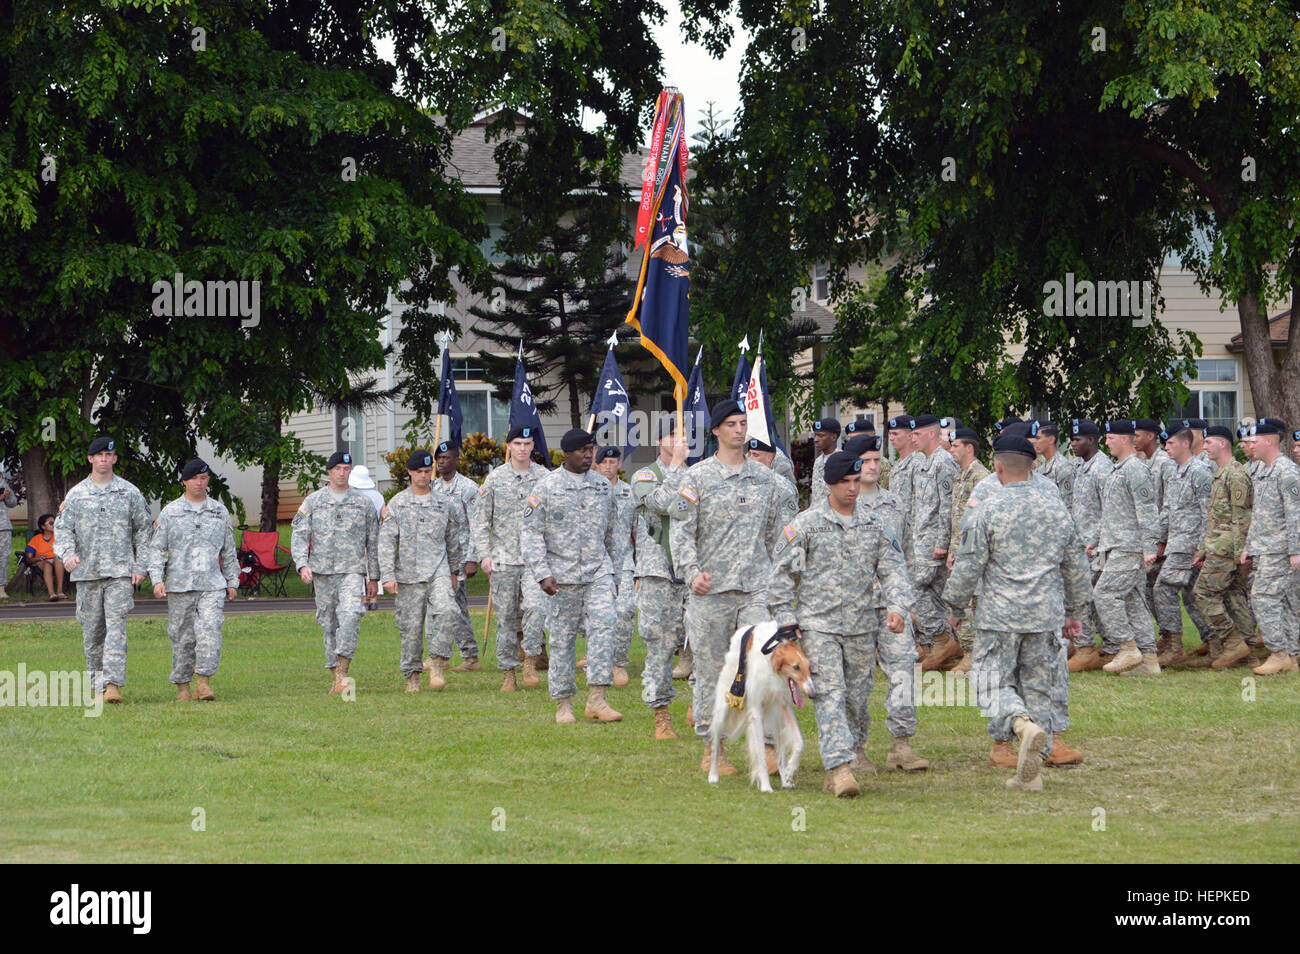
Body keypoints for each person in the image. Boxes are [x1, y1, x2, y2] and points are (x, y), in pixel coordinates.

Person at [942, 434, 1092, 791]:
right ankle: (1033, 768)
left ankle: (1021, 727)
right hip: (1046, 616)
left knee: (991, 682)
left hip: (1000, 616)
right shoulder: (1055, 507)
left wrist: (955, 607)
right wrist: (1075, 611)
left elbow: (968, 565)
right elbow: (1076, 566)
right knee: (1040, 688)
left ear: (997, 467)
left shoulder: (987, 509)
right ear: (1032, 467)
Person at [769, 451, 914, 797]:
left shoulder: (876, 524)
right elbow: (781, 575)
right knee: (830, 693)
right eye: (845, 482)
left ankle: (852, 750)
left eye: (855, 480)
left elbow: (893, 569)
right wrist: (787, 622)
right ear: (829, 484)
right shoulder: (807, 524)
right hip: (818, 626)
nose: (853, 488)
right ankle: (839, 767)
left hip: (863, 625)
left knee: (857, 698)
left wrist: (897, 607)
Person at [671, 400, 796, 774]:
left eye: (744, 423)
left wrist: (782, 577)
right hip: (711, 593)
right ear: (716, 431)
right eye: (731, 424)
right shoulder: (697, 478)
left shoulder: (768, 481)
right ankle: (714, 748)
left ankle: (769, 746)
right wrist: (692, 572)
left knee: (765, 665)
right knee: (712, 671)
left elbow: (781, 536)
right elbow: (681, 532)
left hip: (757, 589)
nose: (740, 430)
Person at [520, 428, 622, 724]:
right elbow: (531, 533)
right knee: (562, 639)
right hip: (560, 577)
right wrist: (542, 574)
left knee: (605, 627)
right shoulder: (546, 487)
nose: (589, 455)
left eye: (592, 449)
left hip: (597, 572)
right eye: (583, 451)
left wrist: (614, 570)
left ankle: (598, 699)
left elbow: (613, 531)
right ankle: (564, 703)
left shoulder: (603, 487)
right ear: (567, 454)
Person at [845, 433, 929, 769]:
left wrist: (908, 604)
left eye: (878, 460)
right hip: (855, 606)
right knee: (857, 677)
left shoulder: (895, 505)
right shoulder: (839, 505)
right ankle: (856, 748)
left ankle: (901, 745)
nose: (873, 467)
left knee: (904, 667)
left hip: (892, 605)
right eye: (866, 461)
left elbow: (905, 556)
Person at [52, 436, 153, 703]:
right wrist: (67, 555)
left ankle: (112, 686)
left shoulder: (129, 492)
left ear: (115, 459)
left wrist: (141, 566)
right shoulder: (76, 494)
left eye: (109, 456)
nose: (104, 460)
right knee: (93, 633)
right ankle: (97, 687)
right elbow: (62, 530)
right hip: (87, 574)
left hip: (120, 573)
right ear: (90, 459)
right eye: (99, 456)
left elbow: (144, 529)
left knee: (117, 628)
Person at [147, 459, 239, 702]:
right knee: (182, 637)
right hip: (179, 585)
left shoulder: (219, 511)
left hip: (212, 584)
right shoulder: (171, 512)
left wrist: (232, 580)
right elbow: (157, 548)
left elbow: (229, 550)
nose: (200, 483)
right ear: (185, 481)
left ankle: (204, 683)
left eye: (204, 478)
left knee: (210, 631)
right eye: (195, 479)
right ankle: (183, 688)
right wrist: (157, 578)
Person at [290, 451, 380, 693]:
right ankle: (335, 676)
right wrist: (302, 564)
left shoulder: (363, 503)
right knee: (329, 624)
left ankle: (343, 670)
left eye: (346, 468)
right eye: (338, 468)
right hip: (322, 572)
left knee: (351, 615)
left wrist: (374, 577)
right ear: (329, 471)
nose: (342, 473)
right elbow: (299, 535)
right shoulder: (313, 501)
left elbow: (373, 542)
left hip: (352, 570)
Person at [378, 448, 466, 692]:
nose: (425, 476)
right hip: (408, 575)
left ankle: (438, 662)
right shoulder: (397, 504)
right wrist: (387, 576)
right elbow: (386, 542)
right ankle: (412, 676)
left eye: (428, 471)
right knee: (411, 629)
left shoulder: (443, 503)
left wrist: (454, 572)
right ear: (409, 472)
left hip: (438, 570)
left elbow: (453, 540)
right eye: (419, 471)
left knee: (449, 611)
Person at [472, 425, 549, 691]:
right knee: (505, 617)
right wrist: (484, 554)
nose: (523, 448)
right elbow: (480, 521)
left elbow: (553, 519)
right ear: (509, 447)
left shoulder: (544, 478)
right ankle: (508, 672)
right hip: (503, 559)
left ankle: (529, 657)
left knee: (537, 609)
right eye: (518, 443)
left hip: (534, 559)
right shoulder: (495, 479)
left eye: (528, 444)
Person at [631, 417, 690, 739]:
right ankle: (661, 714)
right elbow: (666, 505)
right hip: (658, 574)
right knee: (661, 648)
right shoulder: (645, 476)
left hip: (692, 572)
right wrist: (678, 466)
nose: (679, 440)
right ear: (659, 441)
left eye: (682, 434)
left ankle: (703, 705)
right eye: (672, 435)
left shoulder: (698, 475)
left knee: (706, 645)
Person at [1094, 420, 1161, 675]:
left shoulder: (1134, 469)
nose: (1107, 442)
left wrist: (1149, 546)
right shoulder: (1118, 469)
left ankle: (1128, 647)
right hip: (1118, 545)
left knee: (1104, 594)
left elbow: (1147, 509)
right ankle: (1149, 661)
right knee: (1133, 602)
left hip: (1130, 547)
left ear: (1124, 439)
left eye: (1110, 438)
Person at [1190, 425, 1255, 669]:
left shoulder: (1235, 474)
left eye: (1208, 443)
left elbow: (1242, 517)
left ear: (1223, 444)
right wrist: (1204, 549)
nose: (1204, 447)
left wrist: (1240, 553)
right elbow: (1217, 518)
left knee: (1203, 593)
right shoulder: (1221, 474)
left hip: (1228, 548)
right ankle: (1249, 655)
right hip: (1219, 546)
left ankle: (1232, 641)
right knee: (1234, 597)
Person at [1239, 418, 1300, 675]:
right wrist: (1249, 547)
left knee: (1263, 598)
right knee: (1283, 602)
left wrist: (1296, 551)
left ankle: (1278, 652)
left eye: (1253, 441)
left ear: (1268, 441)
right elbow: (1261, 515)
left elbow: (1295, 513)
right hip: (1265, 548)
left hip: (1280, 549)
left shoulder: (1286, 471)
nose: (1250, 445)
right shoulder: (1265, 470)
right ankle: (1291, 657)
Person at [1151, 425, 1213, 666]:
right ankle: (1214, 642)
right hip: (1176, 543)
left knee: (1163, 588)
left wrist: (1203, 547)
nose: (1166, 447)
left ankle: (1175, 644)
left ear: (1185, 444)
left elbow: (1208, 512)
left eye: (1171, 444)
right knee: (1192, 594)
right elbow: (1167, 510)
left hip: (1190, 544)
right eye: (1165, 444)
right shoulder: (1175, 472)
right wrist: (1159, 540)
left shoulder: (1199, 472)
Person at [907, 414, 960, 670]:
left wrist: (943, 542)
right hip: (921, 540)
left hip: (933, 543)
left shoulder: (944, 462)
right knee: (933, 595)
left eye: (916, 434)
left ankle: (942, 639)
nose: (912, 438)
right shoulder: (923, 463)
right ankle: (940, 648)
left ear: (931, 434)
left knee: (914, 591)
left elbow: (948, 506)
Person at [1066, 420, 1114, 670]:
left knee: (1086, 598)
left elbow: (1110, 509)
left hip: (1096, 547)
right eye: (1072, 440)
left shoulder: (1102, 468)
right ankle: (1099, 647)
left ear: (1092, 440)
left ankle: (1089, 649)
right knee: (1087, 598)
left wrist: (1095, 541)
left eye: (1078, 440)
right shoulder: (1080, 466)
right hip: (1080, 543)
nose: (1073, 444)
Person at [433, 440, 482, 673]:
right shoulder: (434, 487)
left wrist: (473, 558)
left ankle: (468, 655)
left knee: (455, 606)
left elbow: (477, 525)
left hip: (460, 557)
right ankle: (442, 654)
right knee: (438, 606)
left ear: (457, 460)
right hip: (438, 558)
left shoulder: (468, 488)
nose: (442, 462)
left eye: (447, 458)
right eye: (439, 458)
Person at [945, 427, 989, 672]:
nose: (951, 450)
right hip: (959, 550)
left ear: (969, 448)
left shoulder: (980, 477)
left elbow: (978, 519)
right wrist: (952, 549)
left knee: (973, 603)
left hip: (972, 551)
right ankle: (969, 651)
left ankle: (973, 654)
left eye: (955, 446)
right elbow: (957, 517)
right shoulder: (960, 475)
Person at [593, 446, 635, 689]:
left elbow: (640, 529)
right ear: (596, 465)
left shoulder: (629, 493)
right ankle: (597, 660)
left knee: (626, 611)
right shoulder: (591, 490)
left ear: (619, 463)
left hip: (624, 563)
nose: (608, 465)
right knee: (597, 616)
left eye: (612, 461)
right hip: (597, 563)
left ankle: (618, 661)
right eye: (604, 461)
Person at [349, 465, 386, 611]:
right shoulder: (377, 495)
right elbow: (385, 514)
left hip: (356, 536)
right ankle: (374, 599)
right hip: (374, 534)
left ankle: (363, 599)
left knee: (359, 567)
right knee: (373, 566)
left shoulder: (352, 495)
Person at [1031, 421, 1074, 512]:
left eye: (1038, 438)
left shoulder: (1063, 467)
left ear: (1051, 439)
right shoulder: (1042, 467)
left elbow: (1068, 507)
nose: (1035, 442)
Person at [24, 514, 68, 600]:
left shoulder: (59, 537)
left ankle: (59, 591)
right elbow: (28, 559)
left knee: (57, 559)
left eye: (55, 522)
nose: (54, 525)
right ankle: (52, 594)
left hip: (58, 561)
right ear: (43, 526)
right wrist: (38, 558)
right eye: (51, 523)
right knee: (47, 565)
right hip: (42, 562)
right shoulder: (36, 539)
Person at [809, 418, 841, 507]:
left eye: (821, 436)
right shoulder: (818, 461)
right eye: (815, 435)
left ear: (834, 437)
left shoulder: (842, 461)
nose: (816, 439)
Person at [0, 467, 18, 601]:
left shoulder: (1, 481)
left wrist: (7, 495)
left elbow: (13, 503)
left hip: (3, 526)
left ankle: (1, 588)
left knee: (3, 558)